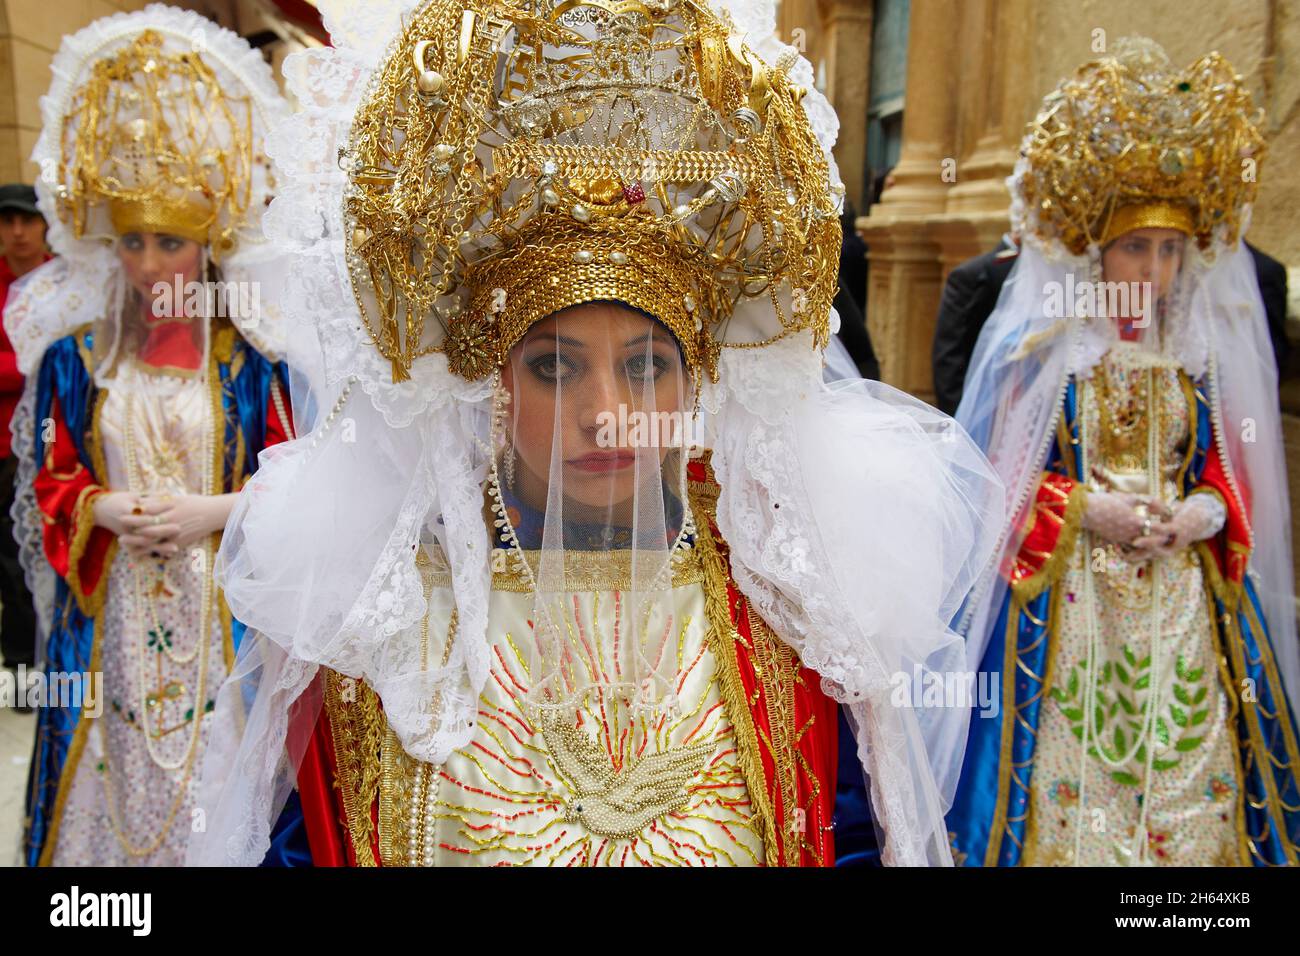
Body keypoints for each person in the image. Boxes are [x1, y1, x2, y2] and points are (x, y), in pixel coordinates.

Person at [189, 0, 1002, 868]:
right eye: (555, 365)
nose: (607, 409)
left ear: (696, 378)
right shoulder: (383, 625)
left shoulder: (787, 609)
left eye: (648, 366)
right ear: (490, 379)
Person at [948, 39, 1300, 866]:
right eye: (1137, 247)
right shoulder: (1047, 351)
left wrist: (1204, 510)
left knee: (1194, 780)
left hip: (1182, 589)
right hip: (1073, 593)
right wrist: (1083, 507)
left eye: (1170, 250)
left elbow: (1221, 463)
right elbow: (995, 486)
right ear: (1095, 250)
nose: (1155, 269)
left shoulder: (1197, 353)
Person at [6, 6, 293, 866]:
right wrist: (100, 506)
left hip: (223, 628)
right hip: (111, 621)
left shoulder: (252, 363)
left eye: (170, 240)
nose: (147, 262)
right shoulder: (75, 360)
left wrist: (217, 511)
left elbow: (297, 481)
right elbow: (49, 478)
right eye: (131, 239)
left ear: (208, 247)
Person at [0, 184, 50, 678]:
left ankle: (43, 659)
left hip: (52, 440)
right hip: (4, 445)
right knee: (9, 562)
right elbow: (41, 363)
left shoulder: (63, 283)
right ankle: (17, 661)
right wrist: (31, 365)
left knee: (37, 553)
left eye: (26, 221)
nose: (17, 232)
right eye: (7, 222)